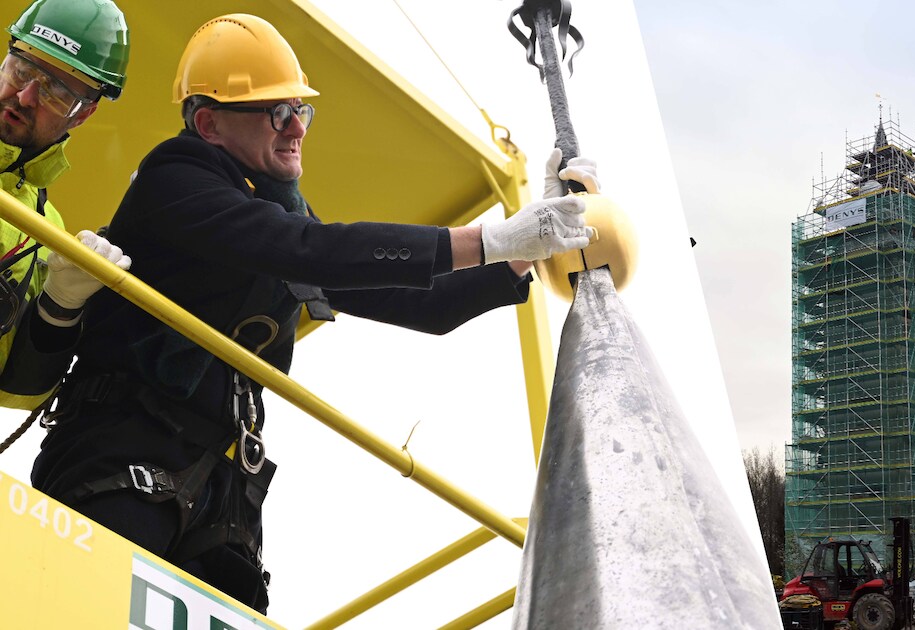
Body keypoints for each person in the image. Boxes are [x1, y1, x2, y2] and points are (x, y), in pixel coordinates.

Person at [30, 13, 598, 613]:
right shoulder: (174, 180)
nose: (297, 126)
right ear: (209, 124)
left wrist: (523, 248)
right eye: (277, 112)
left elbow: (422, 303)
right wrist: (491, 238)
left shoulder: (274, 208)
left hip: (219, 495)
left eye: (301, 109)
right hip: (119, 462)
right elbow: (307, 249)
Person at [0, 0, 131, 412]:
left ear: (83, 115)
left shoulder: (44, 234)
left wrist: (61, 303)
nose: (25, 96)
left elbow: (18, 392)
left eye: (56, 92)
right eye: (21, 70)